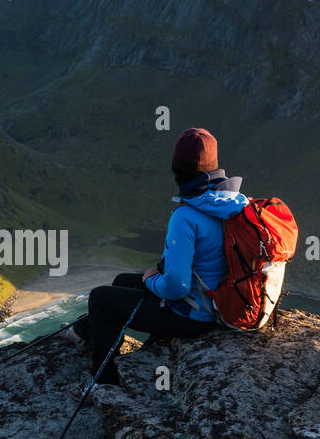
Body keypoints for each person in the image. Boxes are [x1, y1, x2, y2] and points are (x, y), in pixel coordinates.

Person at [63, 127, 247, 389]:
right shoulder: (236, 203)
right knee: (122, 281)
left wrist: (151, 280)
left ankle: (103, 382)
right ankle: (83, 334)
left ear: (178, 170)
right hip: (222, 304)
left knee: (100, 298)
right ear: (216, 166)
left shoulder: (185, 217)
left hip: (193, 317)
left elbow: (176, 287)